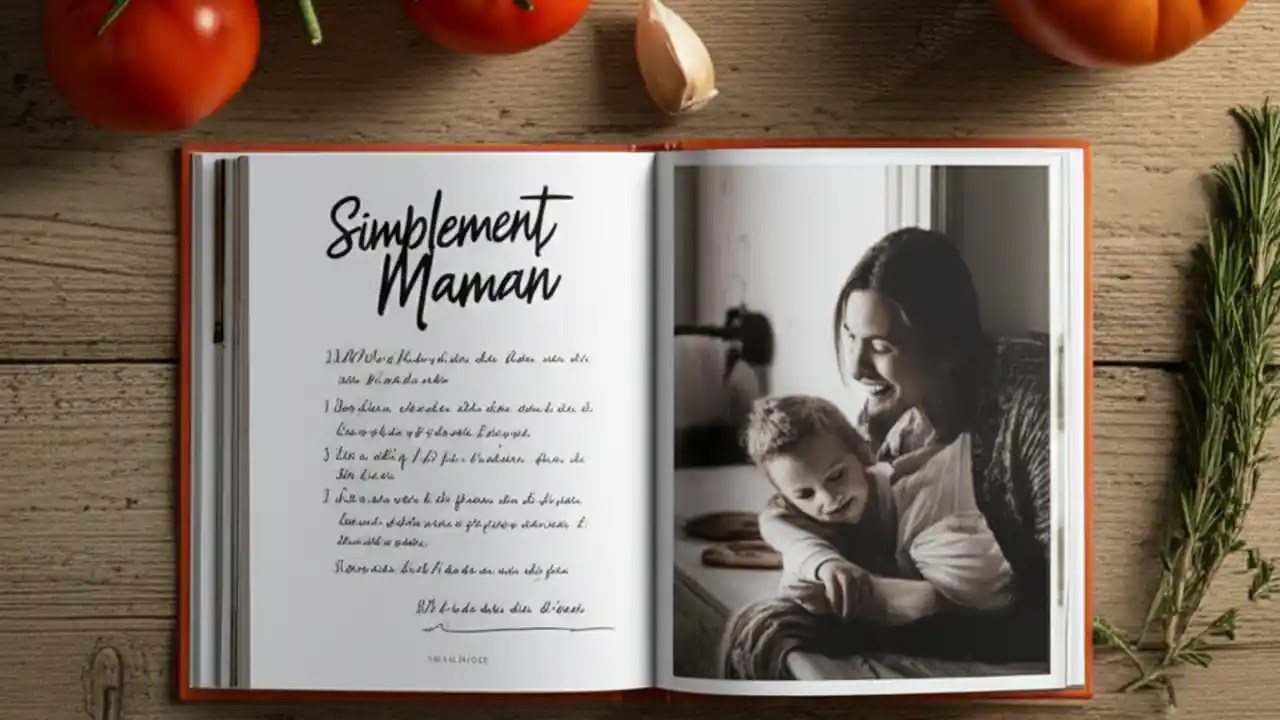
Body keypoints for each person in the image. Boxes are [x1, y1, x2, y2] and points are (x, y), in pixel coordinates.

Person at [831, 226, 1052, 662]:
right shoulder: (887, 415)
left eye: (880, 346)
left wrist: (922, 612)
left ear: (948, 348)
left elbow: (1067, 609)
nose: (857, 368)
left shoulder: (1035, 404)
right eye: (850, 336)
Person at [743, 394, 1016, 627]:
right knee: (799, 586)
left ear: (862, 454)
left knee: (937, 554)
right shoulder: (800, 516)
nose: (828, 499)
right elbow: (773, 518)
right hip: (913, 572)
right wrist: (825, 563)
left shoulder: (910, 491)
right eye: (805, 494)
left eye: (836, 476)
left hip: (977, 536)